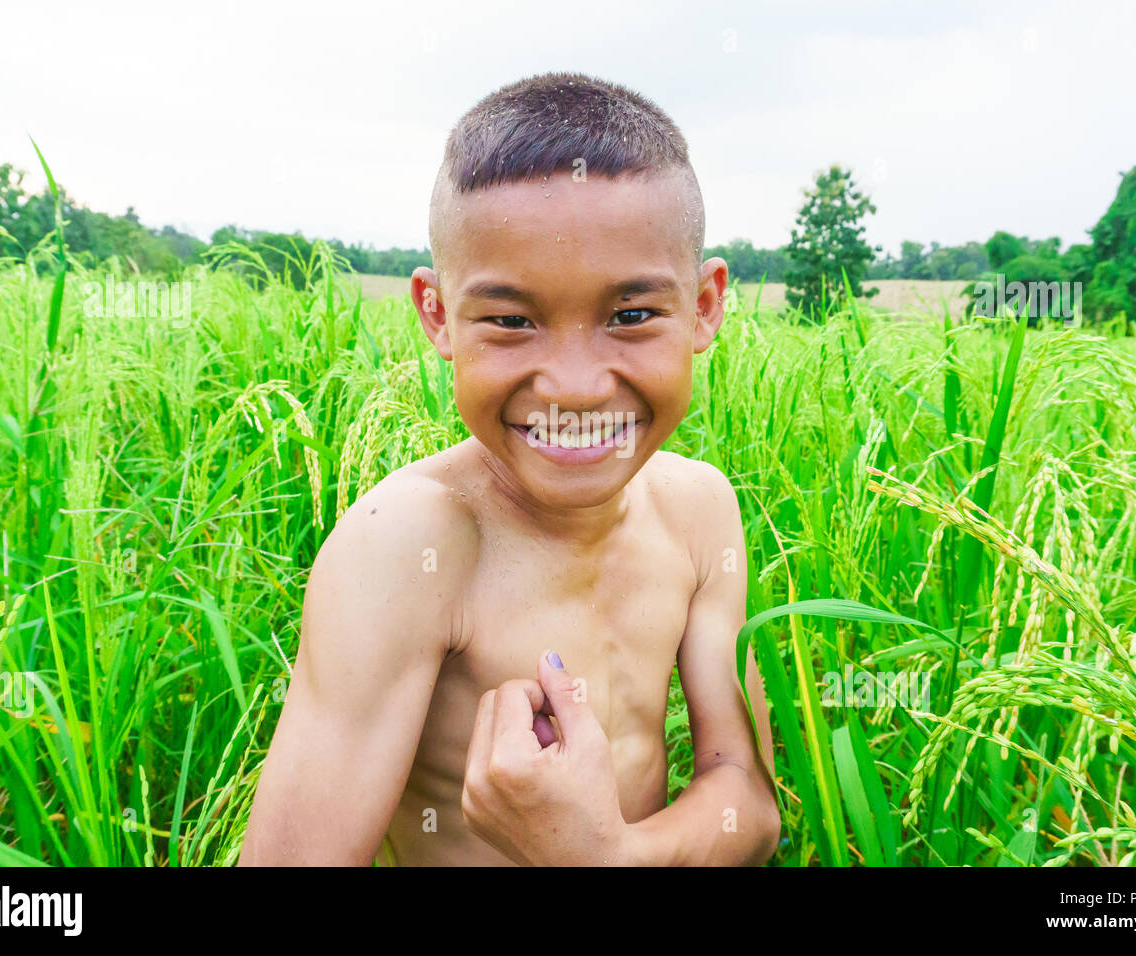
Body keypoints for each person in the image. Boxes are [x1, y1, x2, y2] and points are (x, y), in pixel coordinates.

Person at [239, 71, 779, 866]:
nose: (574, 385)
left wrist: (609, 860)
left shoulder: (701, 510)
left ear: (704, 306)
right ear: (437, 314)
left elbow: (748, 801)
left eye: (630, 316)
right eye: (511, 320)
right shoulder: (411, 547)